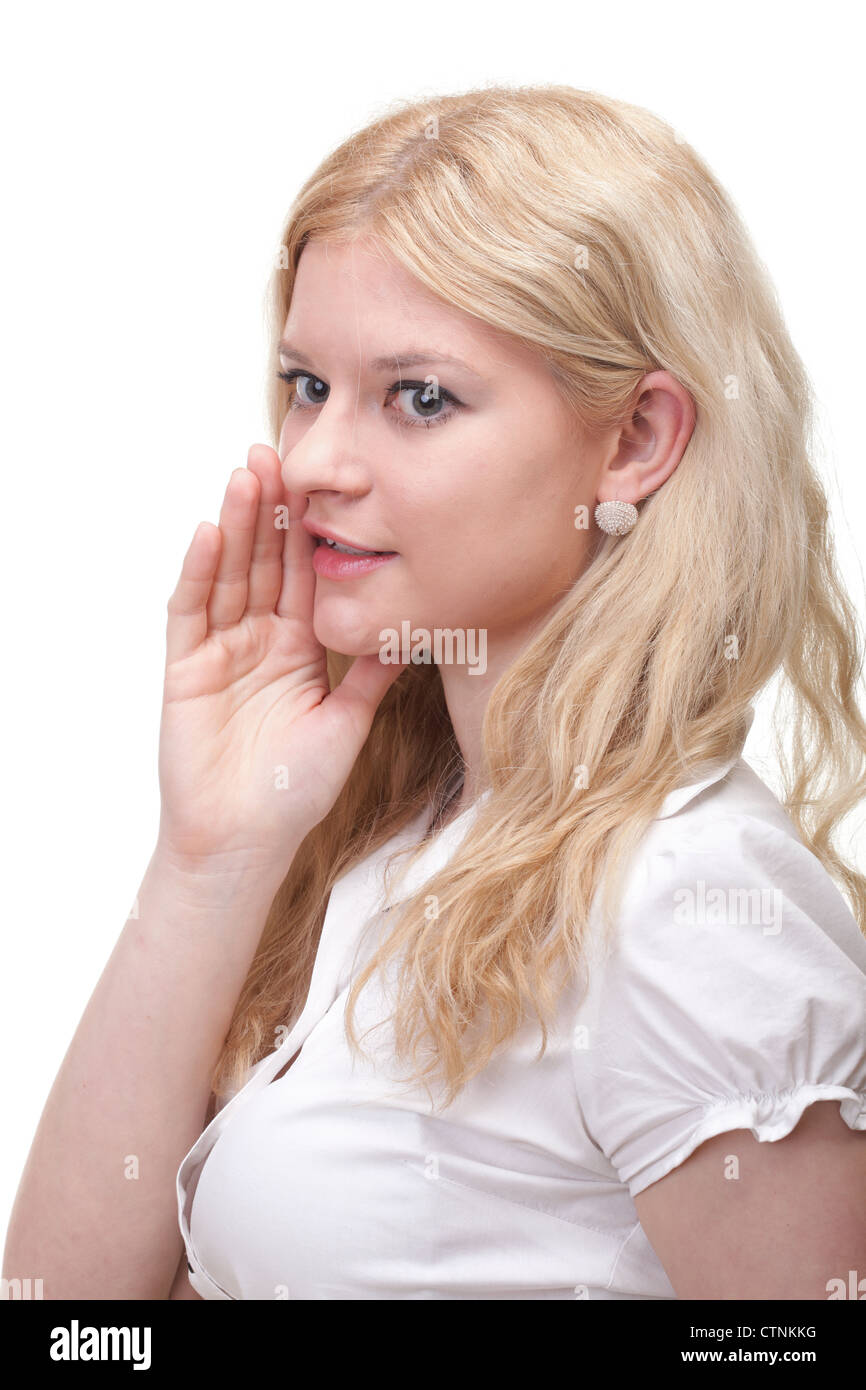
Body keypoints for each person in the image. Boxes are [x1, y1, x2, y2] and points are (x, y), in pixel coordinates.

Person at [5, 84, 866, 1301]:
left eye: (419, 397)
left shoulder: (685, 894)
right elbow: (70, 1327)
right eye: (305, 383)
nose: (308, 464)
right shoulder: (395, 843)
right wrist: (210, 858)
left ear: (632, 441)